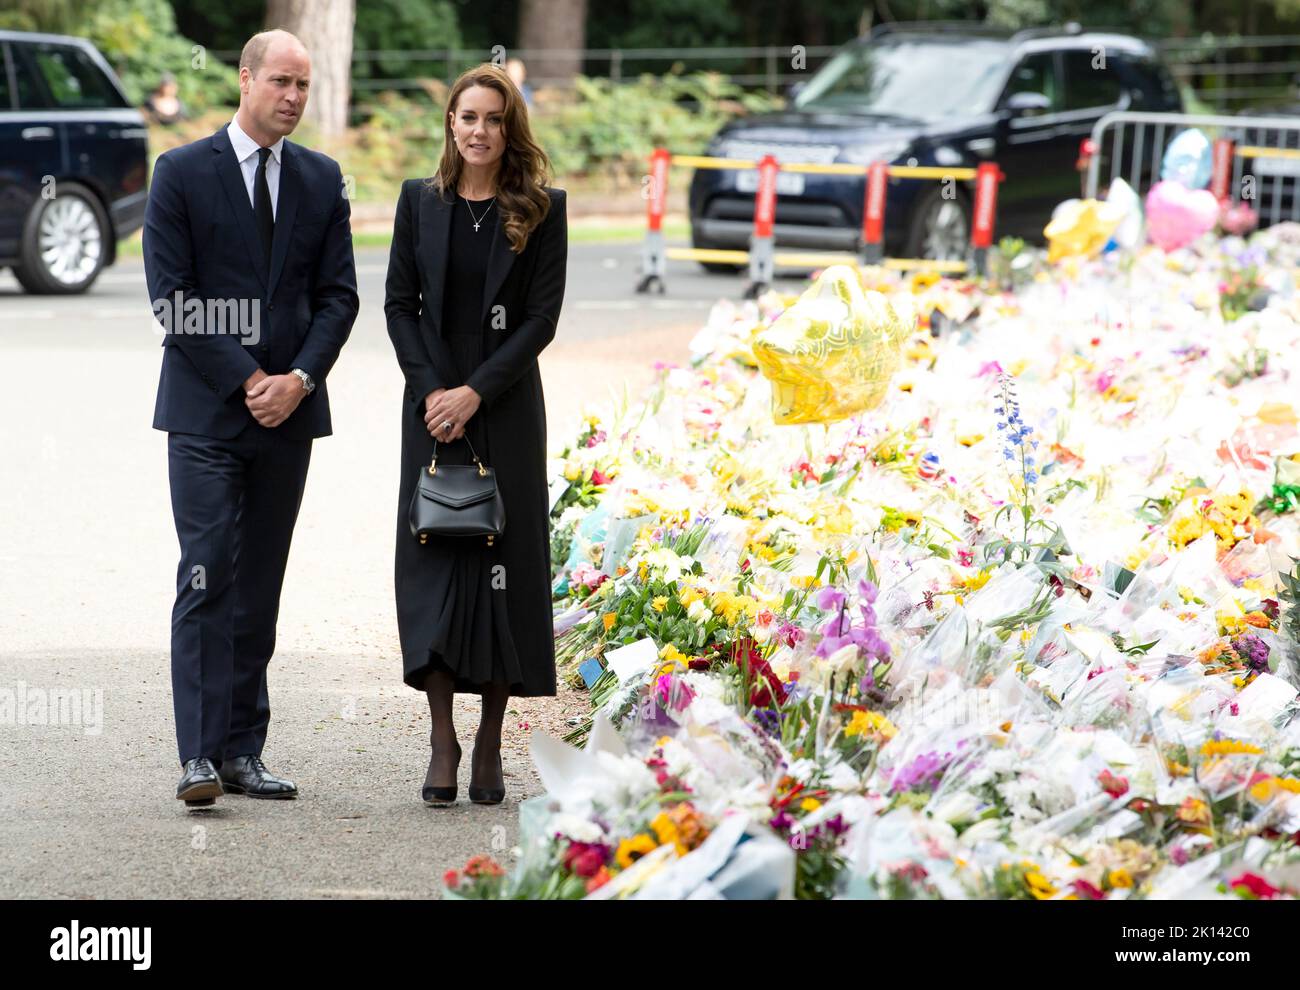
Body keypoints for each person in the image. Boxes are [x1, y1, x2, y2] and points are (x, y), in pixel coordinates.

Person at [143, 29, 359, 808]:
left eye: (303, 85)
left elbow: (340, 296)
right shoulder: (180, 174)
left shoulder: (321, 177)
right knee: (207, 572)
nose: (294, 98)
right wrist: (249, 381)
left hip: (290, 416)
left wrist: (298, 378)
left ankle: (243, 750)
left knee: (260, 584)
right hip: (205, 414)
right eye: (281, 82)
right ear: (244, 80)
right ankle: (198, 757)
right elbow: (175, 297)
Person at [384, 62, 566, 807]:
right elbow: (398, 304)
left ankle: (490, 740)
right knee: (434, 561)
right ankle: (441, 738)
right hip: (429, 411)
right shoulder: (417, 203)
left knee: (504, 569)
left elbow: (539, 321)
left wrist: (474, 392)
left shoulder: (543, 208)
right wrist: (436, 392)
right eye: (468, 118)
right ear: (451, 126)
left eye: (493, 119)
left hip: (505, 408)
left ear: (508, 126)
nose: (480, 131)